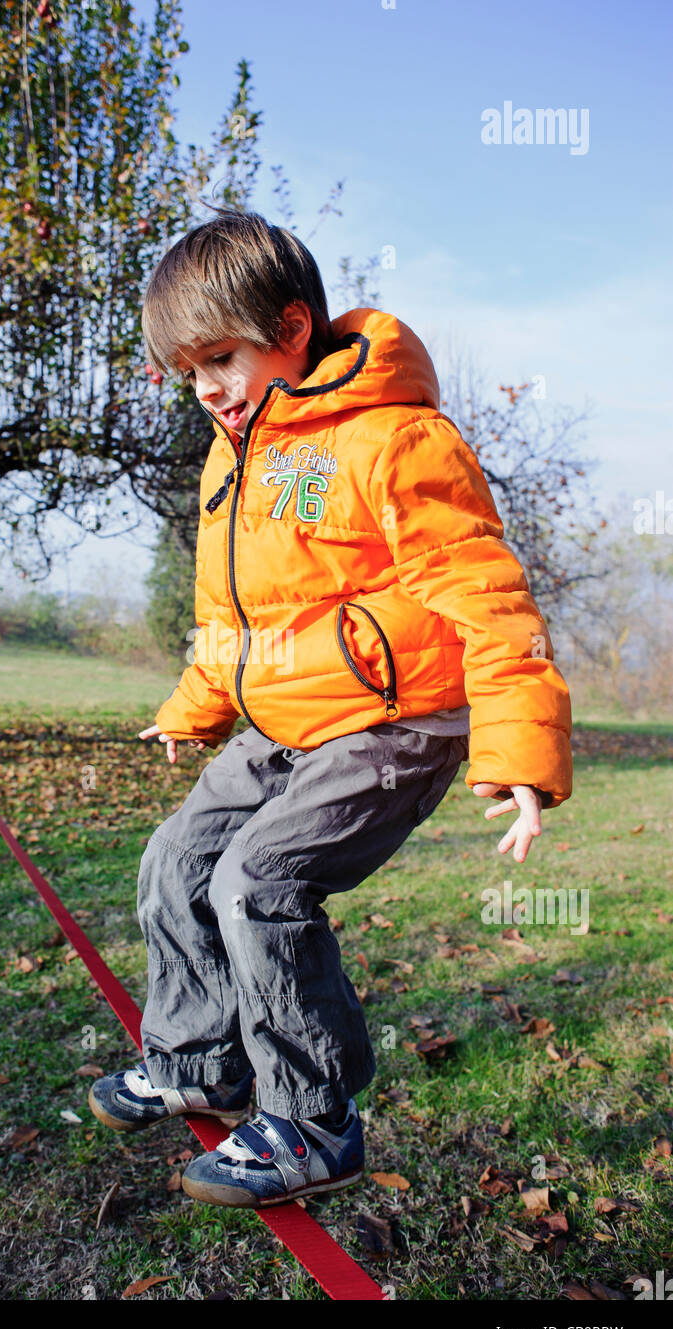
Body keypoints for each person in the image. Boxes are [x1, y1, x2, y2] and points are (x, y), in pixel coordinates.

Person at [86, 209, 572, 1209]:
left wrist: (520, 744)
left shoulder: (394, 436)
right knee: (175, 861)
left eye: (220, 357)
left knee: (257, 883)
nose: (205, 389)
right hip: (287, 717)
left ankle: (312, 1121)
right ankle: (194, 1062)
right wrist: (193, 706)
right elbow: (226, 613)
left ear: (292, 329)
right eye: (186, 371)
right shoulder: (233, 457)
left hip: (402, 718)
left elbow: (487, 591)